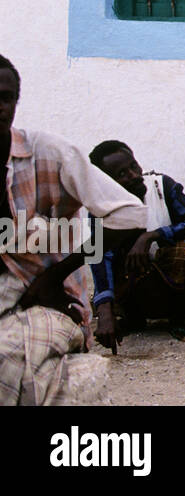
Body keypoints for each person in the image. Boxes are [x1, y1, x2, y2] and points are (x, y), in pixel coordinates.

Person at [0, 54, 147, 404]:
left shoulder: (48, 152)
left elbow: (129, 214)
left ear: (15, 103)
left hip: (48, 303)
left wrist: (56, 275)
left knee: (5, 357)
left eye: (3, 97)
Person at [87, 140, 185, 347]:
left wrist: (151, 236)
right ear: (106, 183)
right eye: (121, 174)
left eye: (133, 166)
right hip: (131, 287)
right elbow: (99, 256)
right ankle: (133, 318)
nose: (134, 175)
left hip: (171, 284)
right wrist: (104, 311)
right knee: (113, 255)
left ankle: (178, 319)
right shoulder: (101, 208)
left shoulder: (160, 186)